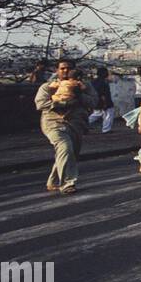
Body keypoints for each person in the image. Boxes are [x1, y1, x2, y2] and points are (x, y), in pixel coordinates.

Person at [34, 58, 98, 194]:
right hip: (53, 122)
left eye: (69, 68)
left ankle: (53, 181)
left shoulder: (83, 86)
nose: (65, 71)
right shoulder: (48, 87)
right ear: (57, 70)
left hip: (76, 122)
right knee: (64, 147)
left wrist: (79, 95)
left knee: (70, 153)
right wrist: (63, 103)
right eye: (62, 68)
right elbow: (40, 104)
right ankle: (67, 183)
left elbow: (93, 102)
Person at [91, 66, 116, 134]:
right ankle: (106, 129)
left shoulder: (94, 81)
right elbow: (103, 94)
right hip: (104, 101)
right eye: (106, 72)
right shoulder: (103, 82)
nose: (107, 74)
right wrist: (105, 103)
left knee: (97, 114)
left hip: (96, 100)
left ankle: (83, 125)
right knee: (108, 114)